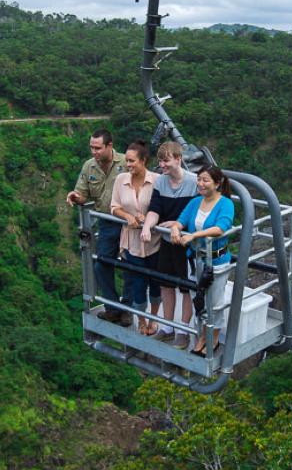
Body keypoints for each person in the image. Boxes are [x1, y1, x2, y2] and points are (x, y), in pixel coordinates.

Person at [170, 166, 235, 355]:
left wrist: (194, 235)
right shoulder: (195, 202)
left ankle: (212, 338)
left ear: (217, 183)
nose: (200, 184)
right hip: (195, 260)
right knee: (198, 299)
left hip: (216, 261)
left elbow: (220, 227)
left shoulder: (225, 204)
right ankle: (201, 336)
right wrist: (175, 228)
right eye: (199, 179)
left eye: (205, 180)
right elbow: (180, 220)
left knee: (214, 302)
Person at [66, 129, 128, 324]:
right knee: (102, 265)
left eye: (98, 148)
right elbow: (83, 193)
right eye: (91, 147)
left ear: (109, 146)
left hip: (128, 223)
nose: (94, 151)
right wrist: (75, 197)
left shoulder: (126, 162)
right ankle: (113, 307)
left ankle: (127, 309)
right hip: (107, 221)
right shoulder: (89, 166)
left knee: (131, 267)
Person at [141, 142, 199, 348]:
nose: (162, 165)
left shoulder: (194, 183)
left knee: (185, 287)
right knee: (165, 284)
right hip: (166, 241)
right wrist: (147, 227)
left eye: (166, 160)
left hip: (186, 244)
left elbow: (197, 213)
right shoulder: (161, 183)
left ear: (178, 159)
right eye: (160, 161)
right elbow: (154, 209)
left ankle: (182, 330)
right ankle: (167, 327)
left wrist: (176, 224)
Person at [110, 140, 162, 335]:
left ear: (143, 160)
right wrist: (128, 217)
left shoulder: (157, 180)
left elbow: (161, 208)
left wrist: (147, 218)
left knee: (155, 282)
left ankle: (153, 319)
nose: (128, 165)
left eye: (132, 161)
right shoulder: (121, 180)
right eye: (127, 161)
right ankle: (141, 320)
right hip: (132, 241)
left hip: (154, 241)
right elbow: (114, 206)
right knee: (138, 282)